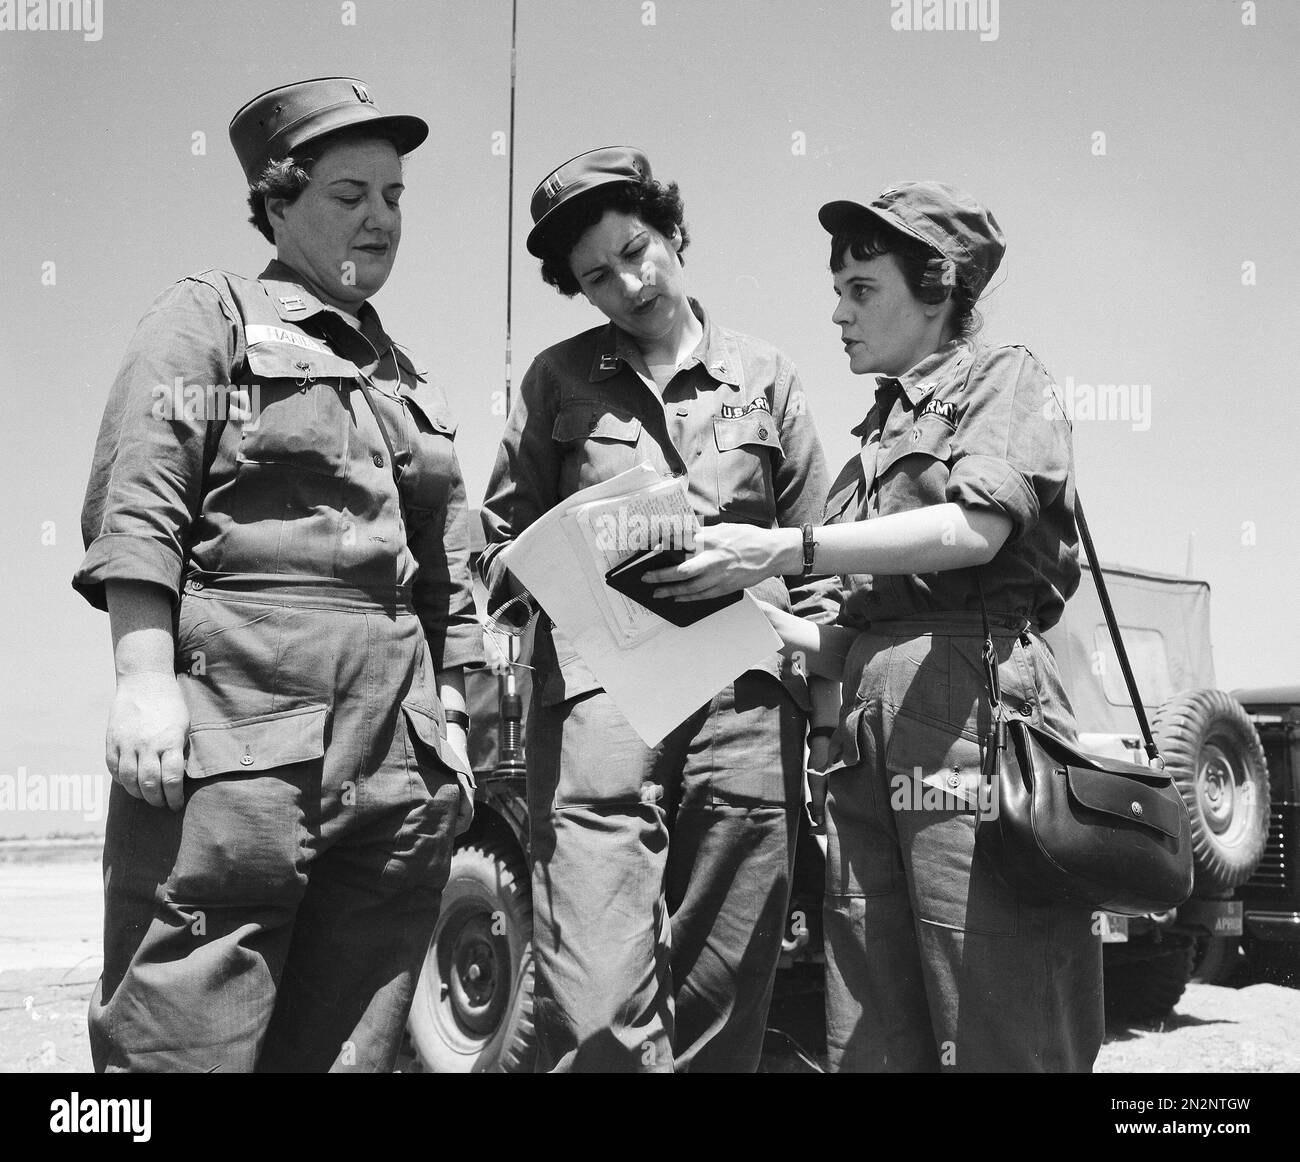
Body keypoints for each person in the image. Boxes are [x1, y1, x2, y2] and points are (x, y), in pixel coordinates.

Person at [73, 77, 483, 1072]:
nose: (381, 218)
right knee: (184, 1032)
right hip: (239, 735)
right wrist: (141, 681)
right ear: (279, 198)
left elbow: (449, 573)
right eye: (351, 196)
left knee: (353, 1045)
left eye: (394, 197)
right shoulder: (208, 315)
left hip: (396, 754)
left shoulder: (406, 379)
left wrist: (456, 724)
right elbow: (142, 499)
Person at [647, 181, 1104, 1072]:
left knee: (990, 1000)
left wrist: (785, 547)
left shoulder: (1002, 375)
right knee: (874, 1022)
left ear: (936, 291)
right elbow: (854, 641)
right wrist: (735, 606)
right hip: (875, 726)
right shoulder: (877, 436)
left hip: (971, 710)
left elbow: (976, 530)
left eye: (863, 290)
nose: (838, 313)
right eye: (838, 291)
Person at [478, 146, 839, 1072]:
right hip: (603, 699)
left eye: (637, 251)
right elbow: (495, 552)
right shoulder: (556, 383)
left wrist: (827, 718)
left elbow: (821, 558)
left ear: (674, 233)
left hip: (748, 703)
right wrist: (576, 560)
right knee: (595, 999)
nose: (629, 284)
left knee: (726, 987)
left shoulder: (769, 379)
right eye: (597, 277)